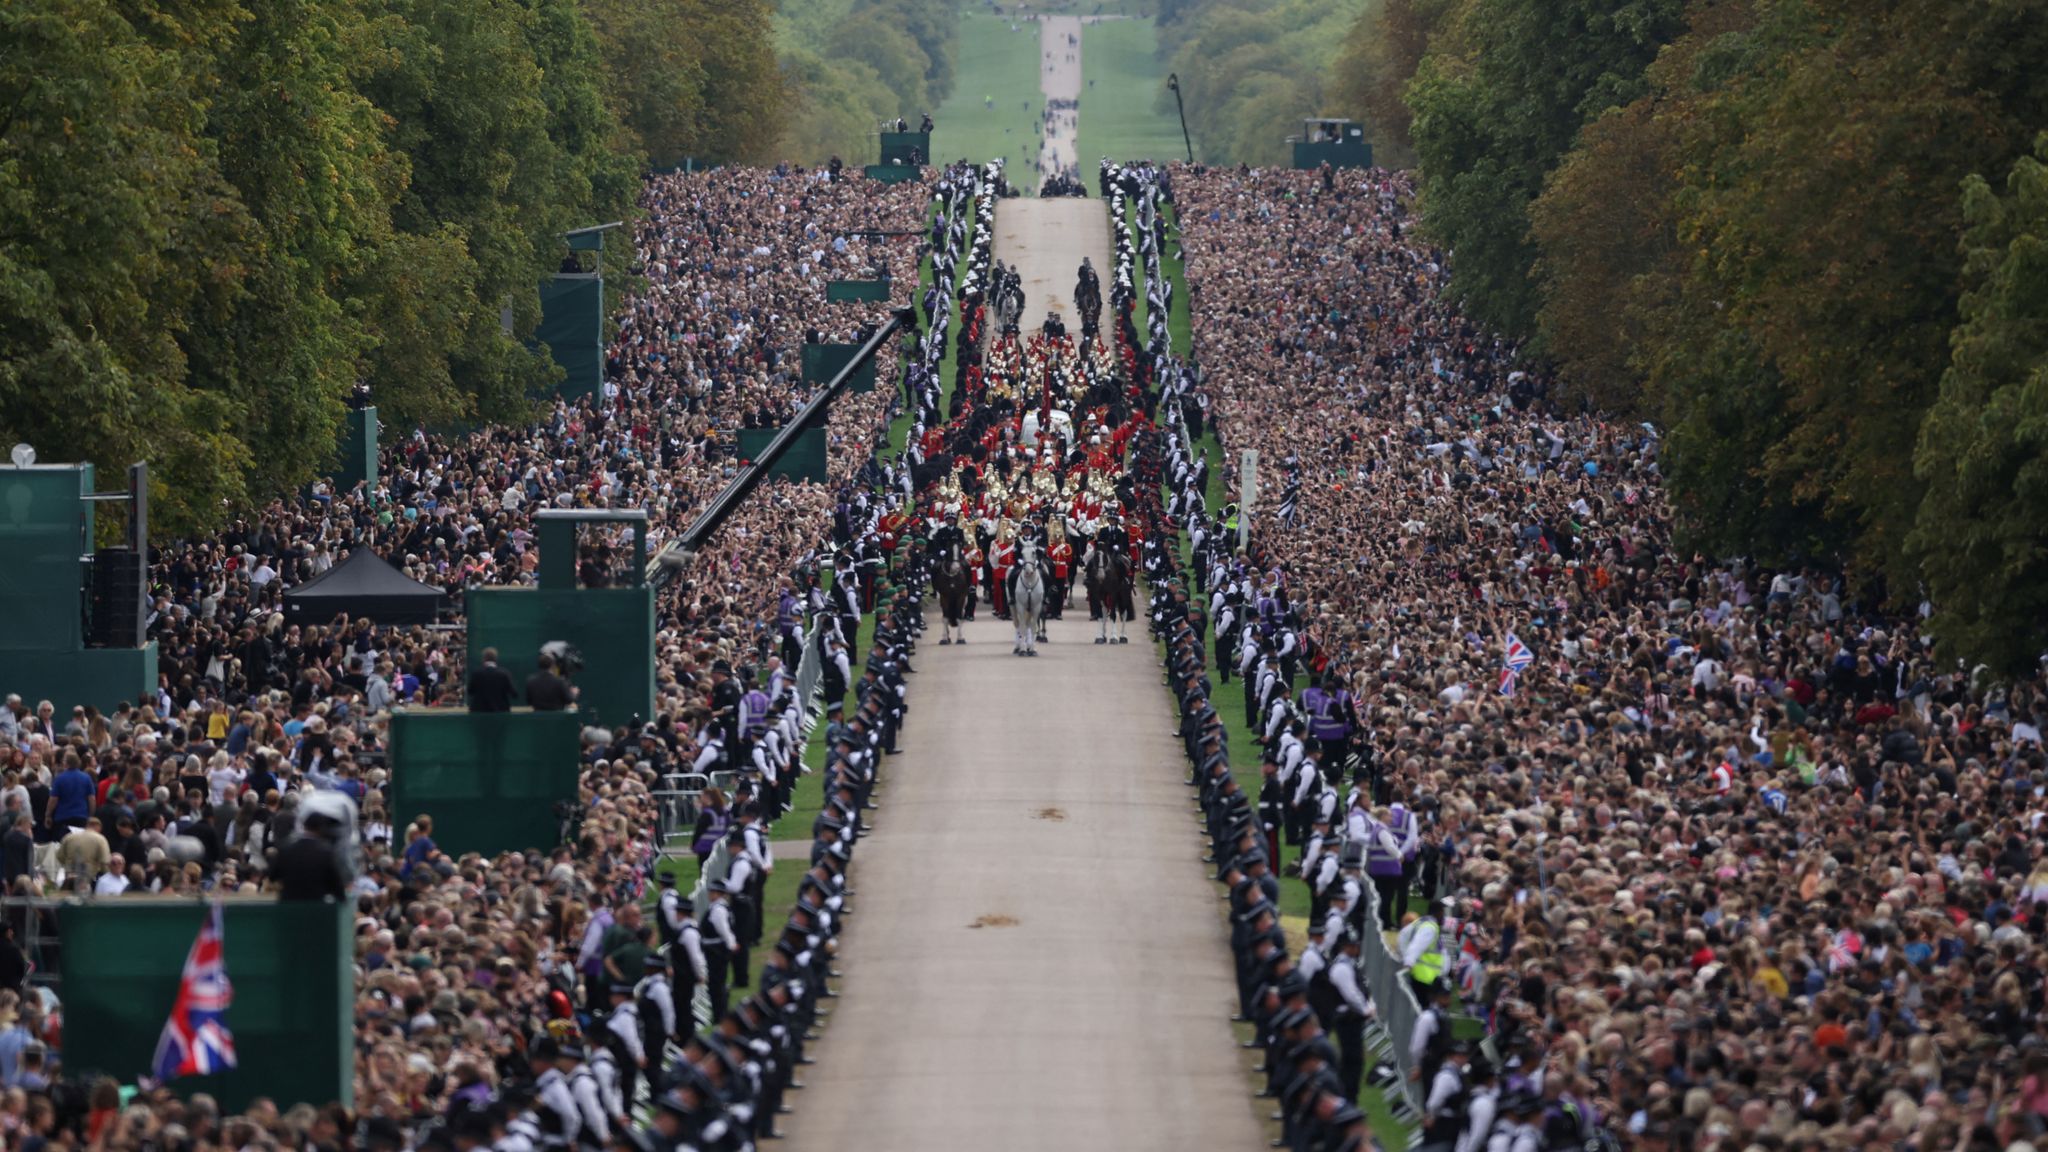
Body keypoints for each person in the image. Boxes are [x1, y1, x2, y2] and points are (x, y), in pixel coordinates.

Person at [467, 648, 517, 712]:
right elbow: (513, 693)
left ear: (484, 659)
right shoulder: (504, 674)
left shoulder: (476, 674)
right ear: (496, 659)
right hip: (500, 712)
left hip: (480, 712)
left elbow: (470, 691)